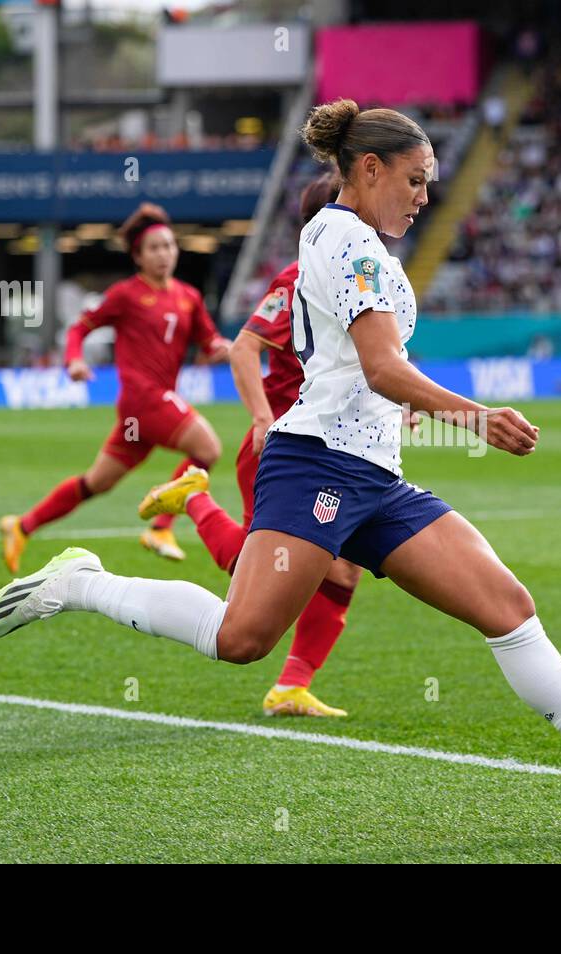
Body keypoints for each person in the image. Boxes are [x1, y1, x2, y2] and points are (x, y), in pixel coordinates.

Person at [0, 99, 561, 815]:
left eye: (430, 182)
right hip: (318, 465)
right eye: (415, 179)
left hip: (375, 476)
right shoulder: (344, 239)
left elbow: (369, 368)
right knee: (242, 639)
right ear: (368, 169)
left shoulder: (358, 245)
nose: (424, 197)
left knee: (507, 607)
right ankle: (80, 582)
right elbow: (379, 367)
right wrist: (477, 418)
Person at [139, 174, 362, 718]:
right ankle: (194, 497)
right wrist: (263, 417)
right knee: (256, 578)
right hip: (282, 451)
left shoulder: (359, 277)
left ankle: (291, 685)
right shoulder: (297, 278)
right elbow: (243, 350)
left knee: (342, 569)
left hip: (336, 454)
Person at [0, 203, 231, 573]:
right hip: (143, 399)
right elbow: (79, 328)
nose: (163, 253)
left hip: (146, 414)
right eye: (154, 248)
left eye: (168, 246)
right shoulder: (126, 295)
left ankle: (22, 526)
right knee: (208, 448)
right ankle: (160, 526)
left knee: (97, 482)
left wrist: (229, 349)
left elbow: (211, 342)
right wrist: (74, 359)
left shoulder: (189, 297)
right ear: (137, 256)